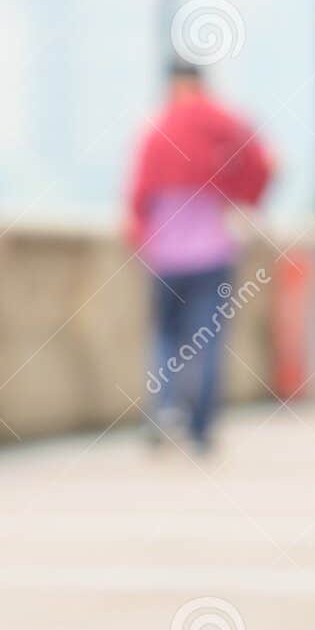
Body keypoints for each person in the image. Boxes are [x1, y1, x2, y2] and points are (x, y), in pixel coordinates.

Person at [125, 62, 274, 450]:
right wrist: (244, 200)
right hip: (213, 246)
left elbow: (138, 193)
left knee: (165, 336)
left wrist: (140, 234)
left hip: (165, 252)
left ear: (173, 85)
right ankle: (201, 425)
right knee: (208, 337)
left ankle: (164, 409)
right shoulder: (226, 122)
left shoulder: (158, 127)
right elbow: (263, 164)